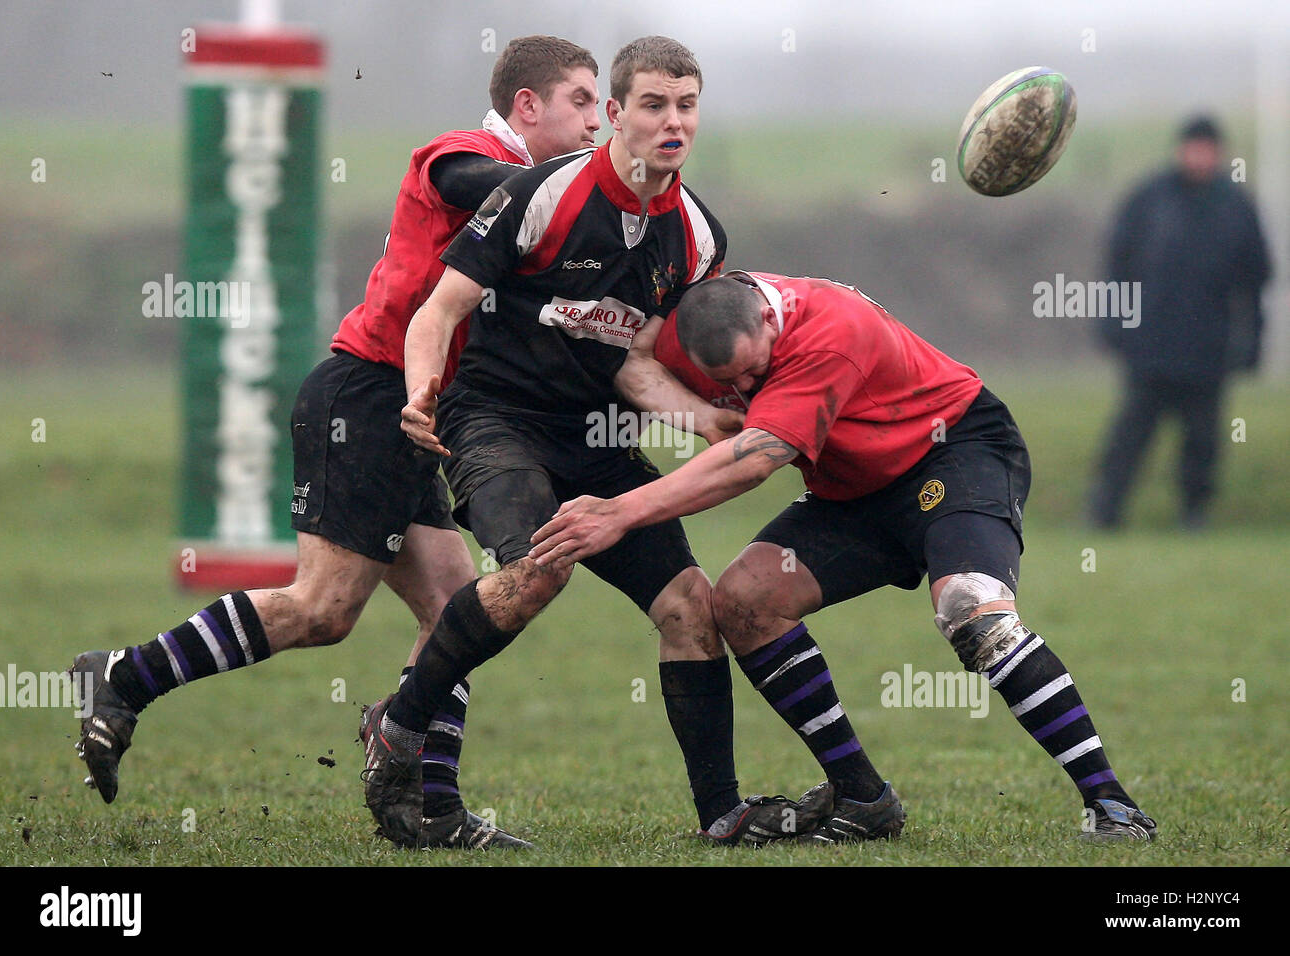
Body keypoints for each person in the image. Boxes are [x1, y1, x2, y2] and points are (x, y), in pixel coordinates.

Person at [68, 36, 601, 849]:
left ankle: (426, 801)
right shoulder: (466, 154)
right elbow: (481, 187)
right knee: (323, 610)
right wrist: (595, 185)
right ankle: (124, 675)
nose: (597, 122)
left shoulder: (544, 203)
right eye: (582, 102)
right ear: (527, 105)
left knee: (455, 608)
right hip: (366, 394)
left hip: (414, 408)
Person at [363, 36, 833, 850]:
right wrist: (419, 390)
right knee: (536, 571)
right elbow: (439, 311)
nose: (672, 122)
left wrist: (706, 420)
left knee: (689, 605)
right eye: (653, 105)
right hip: (495, 419)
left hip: (597, 439)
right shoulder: (540, 194)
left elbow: (636, 364)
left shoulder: (697, 237)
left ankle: (720, 813)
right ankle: (400, 729)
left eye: (686, 105)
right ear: (615, 113)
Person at [529, 271, 1159, 842]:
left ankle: (1112, 805)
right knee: (744, 601)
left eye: (754, 370)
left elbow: (754, 462)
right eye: (730, 382)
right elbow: (633, 362)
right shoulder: (699, 327)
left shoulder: (830, 331)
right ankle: (863, 797)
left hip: (953, 454)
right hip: (854, 489)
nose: (746, 388)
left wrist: (619, 511)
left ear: (770, 320)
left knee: (972, 610)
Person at [1088, 115, 1271, 530]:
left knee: (1203, 440)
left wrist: (1253, 341)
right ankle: (1104, 512)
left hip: (1208, 348)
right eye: (1194, 147)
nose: (1200, 157)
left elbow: (1254, 280)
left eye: (1208, 149)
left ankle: (1194, 514)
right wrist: (1112, 324)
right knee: (1130, 434)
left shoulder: (1236, 206)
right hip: (1150, 345)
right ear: (1180, 149)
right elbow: (1118, 268)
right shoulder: (1149, 199)